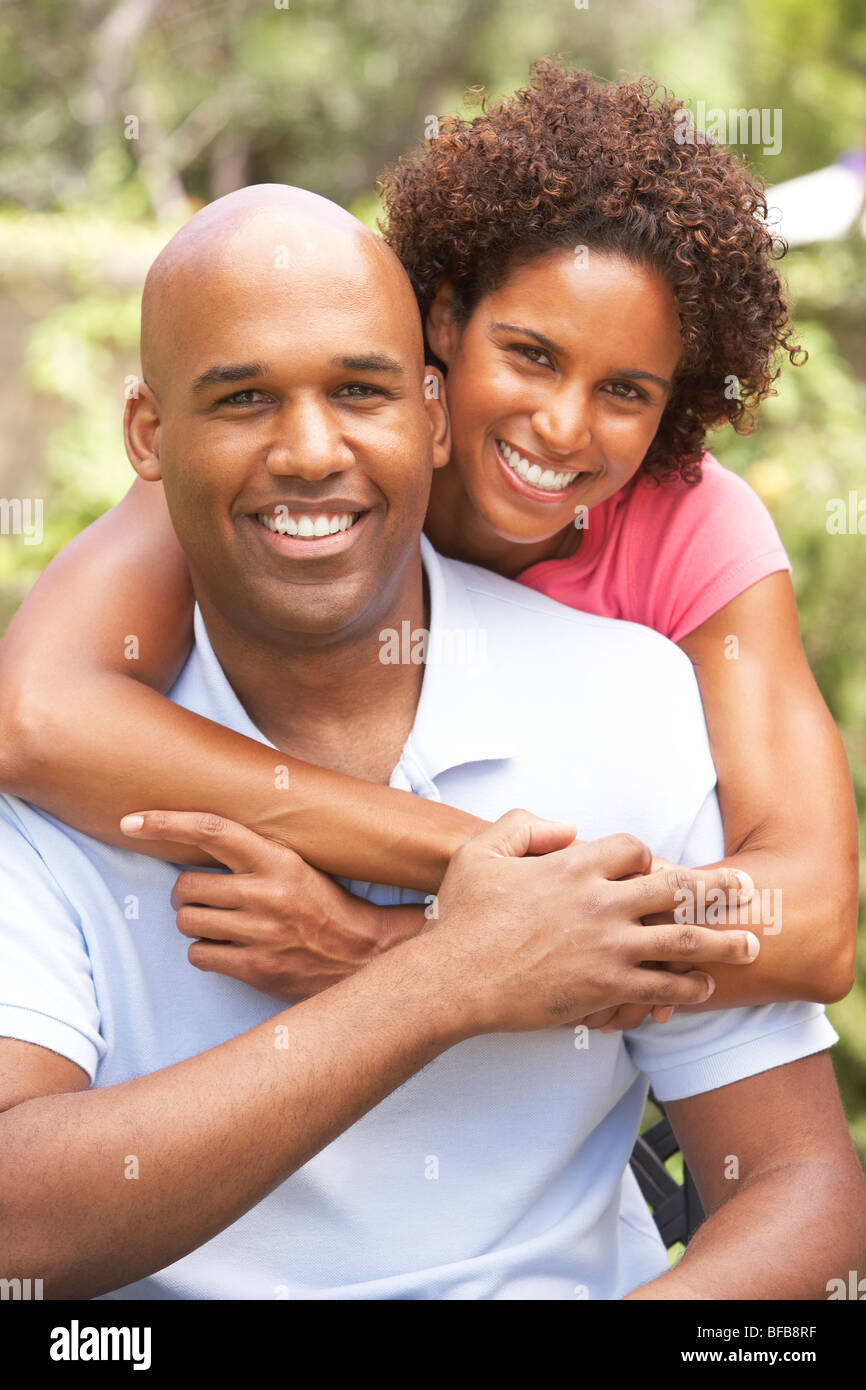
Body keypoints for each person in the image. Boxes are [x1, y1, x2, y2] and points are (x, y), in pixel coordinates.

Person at [0, 186, 862, 1302]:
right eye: (245, 398)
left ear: (427, 411)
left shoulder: (641, 677)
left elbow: (805, 1167)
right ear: (149, 439)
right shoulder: (70, 762)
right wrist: (449, 965)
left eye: (358, 391)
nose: (309, 451)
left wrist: (398, 939)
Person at [0, 65, 857, 1029]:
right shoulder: (298, 466)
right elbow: (37, 717)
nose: (565, 427)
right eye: (531, 354)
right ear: (445, 320)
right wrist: (494, 867)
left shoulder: (694, 530)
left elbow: (812, 916)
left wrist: (395, 950)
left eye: (626, 391)